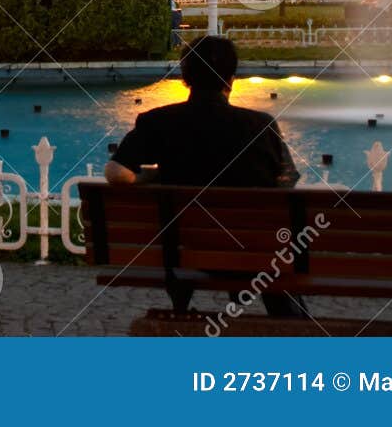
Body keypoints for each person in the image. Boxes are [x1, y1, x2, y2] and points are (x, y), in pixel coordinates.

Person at [102, 34, 305, 318]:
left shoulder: (157, 121)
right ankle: (291, 323)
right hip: (252, 253)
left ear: (185, 79)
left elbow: (117, 174)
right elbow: (286, 183)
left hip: (184, 252)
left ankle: (180, 313)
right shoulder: (261, 125)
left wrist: (152, 178)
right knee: (271, 247)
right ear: (231, 79)